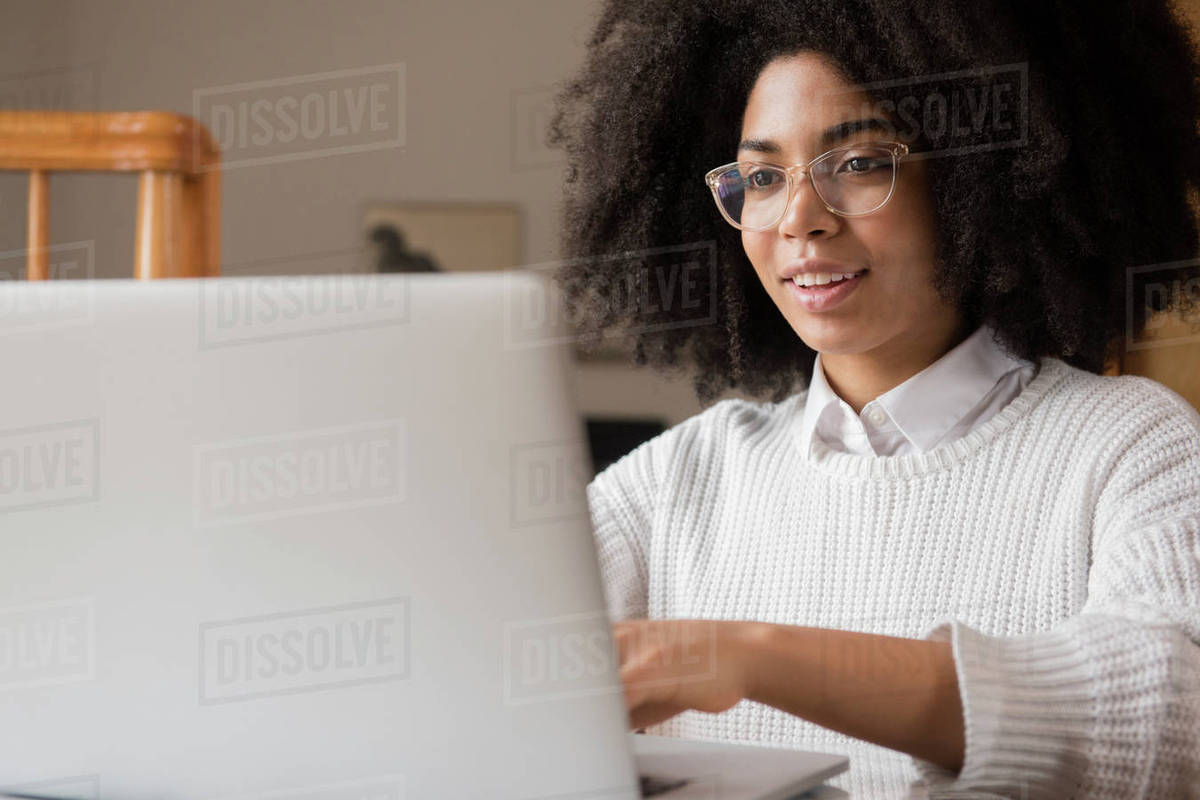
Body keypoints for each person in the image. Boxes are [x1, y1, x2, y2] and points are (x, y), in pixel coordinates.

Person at [547, 1, 1200, 798]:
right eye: (761, 177)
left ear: (977, 179)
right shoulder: (676, 482)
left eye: (857, 163)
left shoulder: (1132, 445)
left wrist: (750, 656)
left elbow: (1171, 722)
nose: (799, 220)